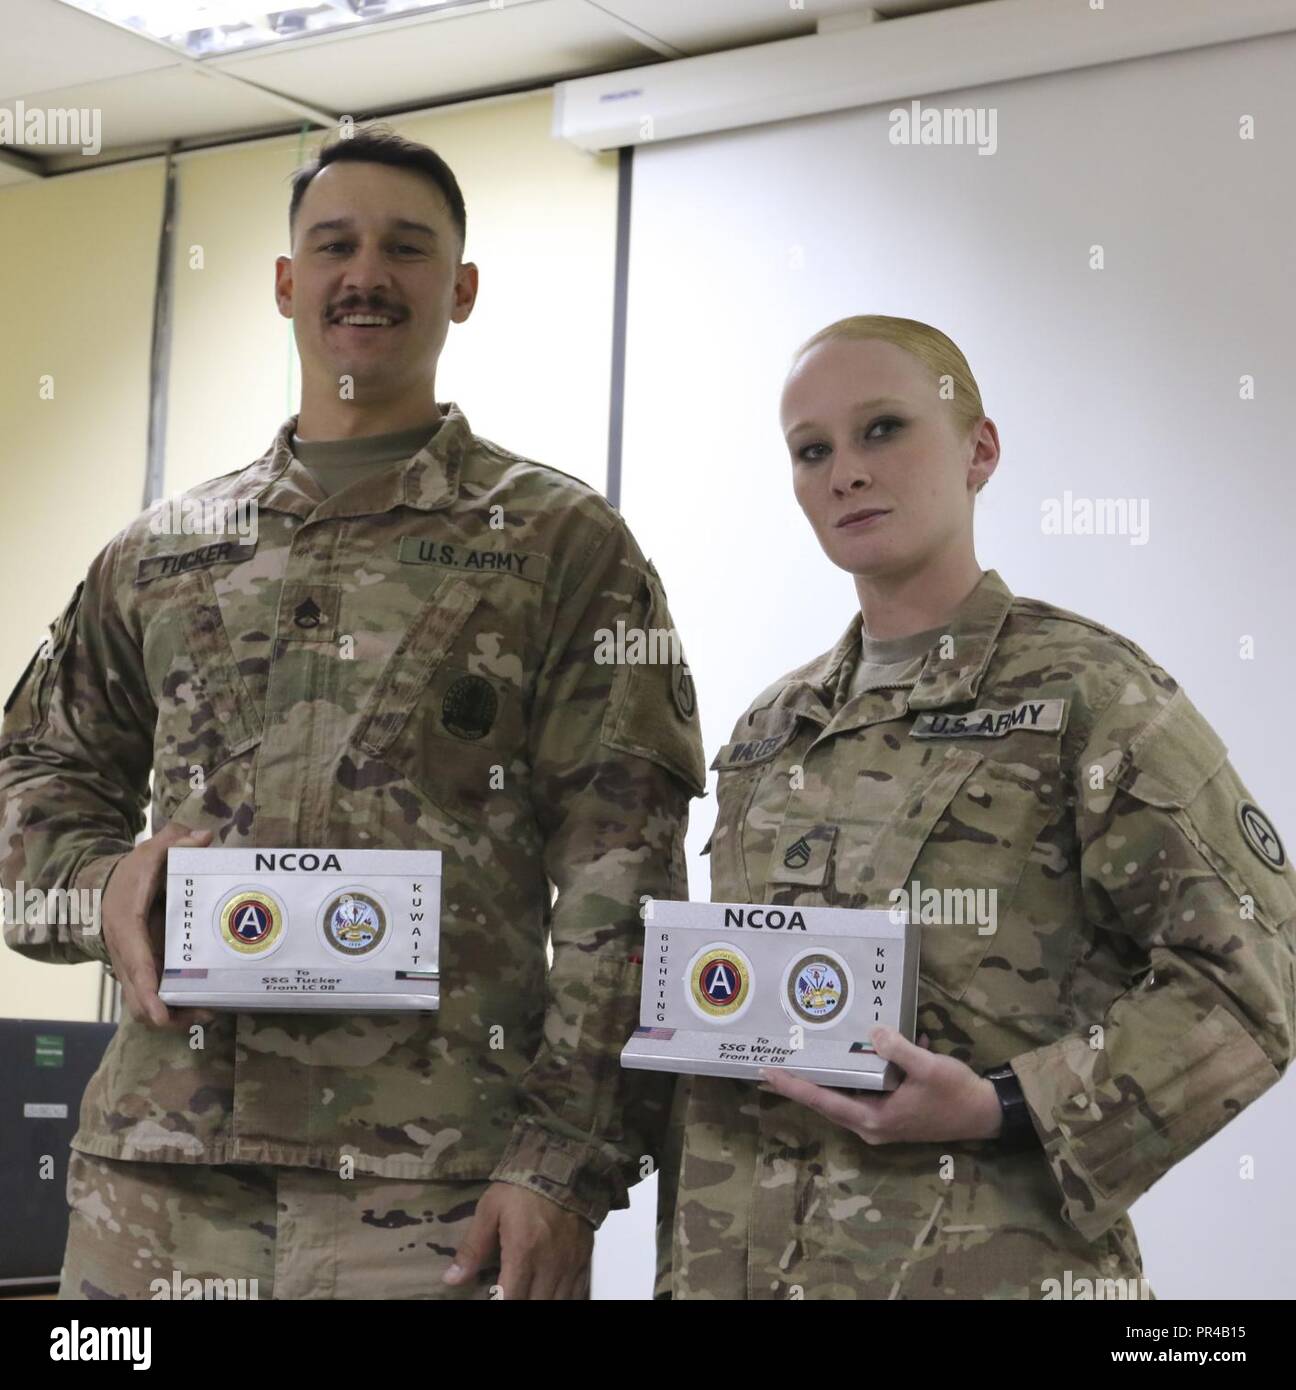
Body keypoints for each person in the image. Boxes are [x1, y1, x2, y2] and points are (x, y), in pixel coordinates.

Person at [0, 124, 705, 1300]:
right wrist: (100, 886)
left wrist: (562, 1166)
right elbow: (32, 777)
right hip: (158, 1184)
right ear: (287, 282)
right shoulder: (161, 553)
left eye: (406, 248)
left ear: (461, 288)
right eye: (333, 245)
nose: (364, 274)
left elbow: (620, 879)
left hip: (434, 1191)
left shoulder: (559, 546)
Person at [660, 314, 1296, 1300]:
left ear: (979, 449)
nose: (846, 473)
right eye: (811, 450)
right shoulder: (767, 731)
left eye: (884, 430)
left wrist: (1004, 1104)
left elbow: (1258, 976)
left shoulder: (1089, 694)